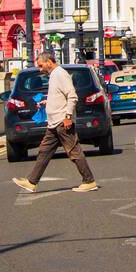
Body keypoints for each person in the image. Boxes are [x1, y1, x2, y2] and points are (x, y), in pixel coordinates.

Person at [12, 50, 98, 193]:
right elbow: (60, 95)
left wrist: (68, 117)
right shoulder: (54, 75)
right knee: (44, 151)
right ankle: (31, 182)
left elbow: (72, 96)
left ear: (49, 62)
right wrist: (47, 102)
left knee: (74, 151)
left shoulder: (60, 74)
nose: (40, 69)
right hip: (54, 123)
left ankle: (89, 181)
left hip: (62, 122)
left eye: (41, 65)